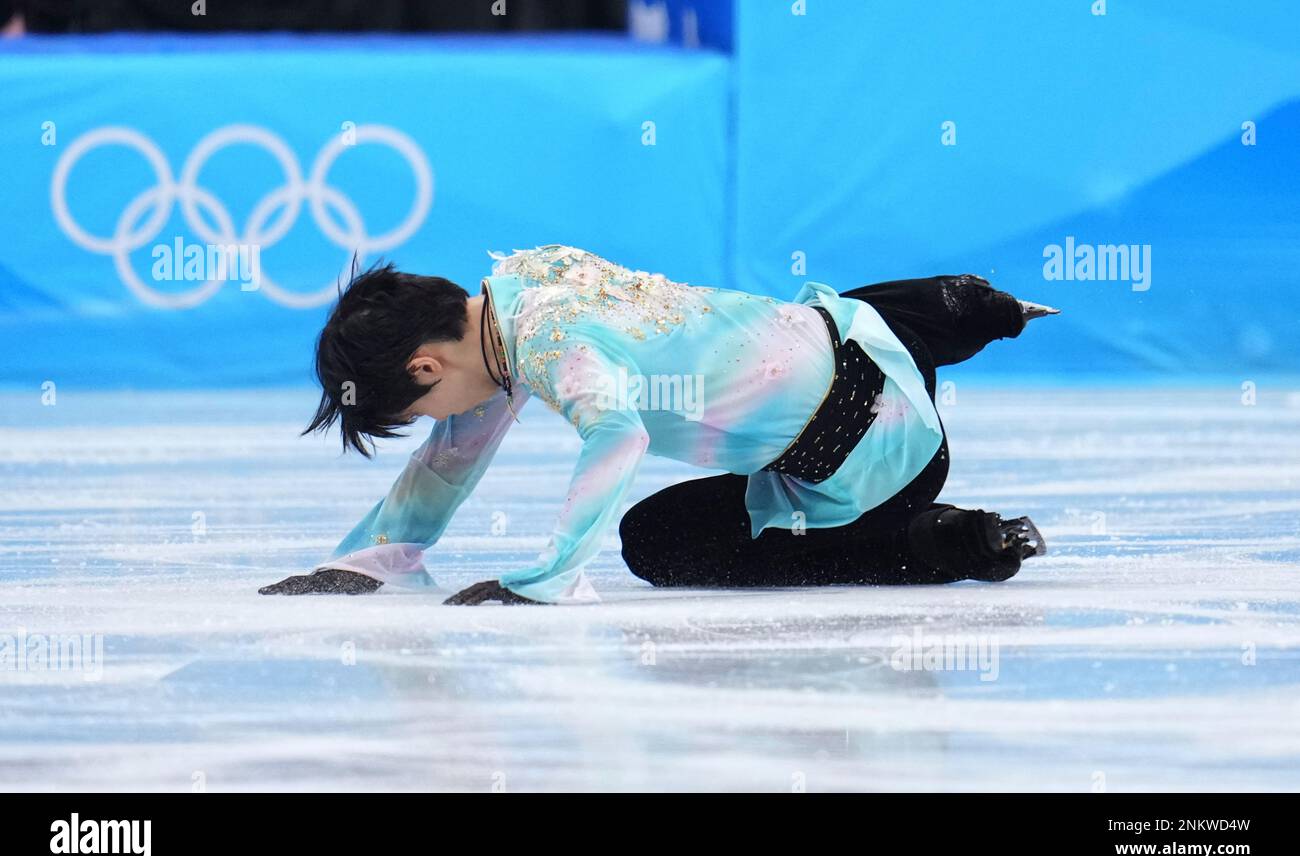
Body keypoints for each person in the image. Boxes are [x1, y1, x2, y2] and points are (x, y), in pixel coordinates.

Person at [259, 245, 1055, 605]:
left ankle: (938, 539)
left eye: (416, 409)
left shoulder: (549, 348)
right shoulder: (516, 292)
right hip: (876, 335)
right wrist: (374, 557)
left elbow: (620, 435)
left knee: (656, 543)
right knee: (794, 329)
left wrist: (546, 577)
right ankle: (977, 307)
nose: (437, 421)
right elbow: (454, 453)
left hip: (883, 462)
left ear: (427, 368)